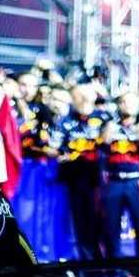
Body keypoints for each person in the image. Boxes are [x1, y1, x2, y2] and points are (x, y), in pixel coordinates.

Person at [101, 90, 139, 259]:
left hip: (136, 181)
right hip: (114, 180)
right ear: (118, 104)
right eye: (124, 101)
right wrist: (109, 129)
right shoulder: (110, 125)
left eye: (132, 102)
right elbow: (102, 146)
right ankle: (114, 271)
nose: (127, 105)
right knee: (110, 226)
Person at [57, 84, 108, 259]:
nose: (77, 101)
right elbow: (58, 147)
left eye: (79, 97)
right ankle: (87, 268)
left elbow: (108, 144)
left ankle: (104, 266)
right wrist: (61, 155)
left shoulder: (104, 118)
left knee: (99, 222)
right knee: (80, 223)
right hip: (75, 179)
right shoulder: (65, 121)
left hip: (98, 179)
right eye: (76, 97)